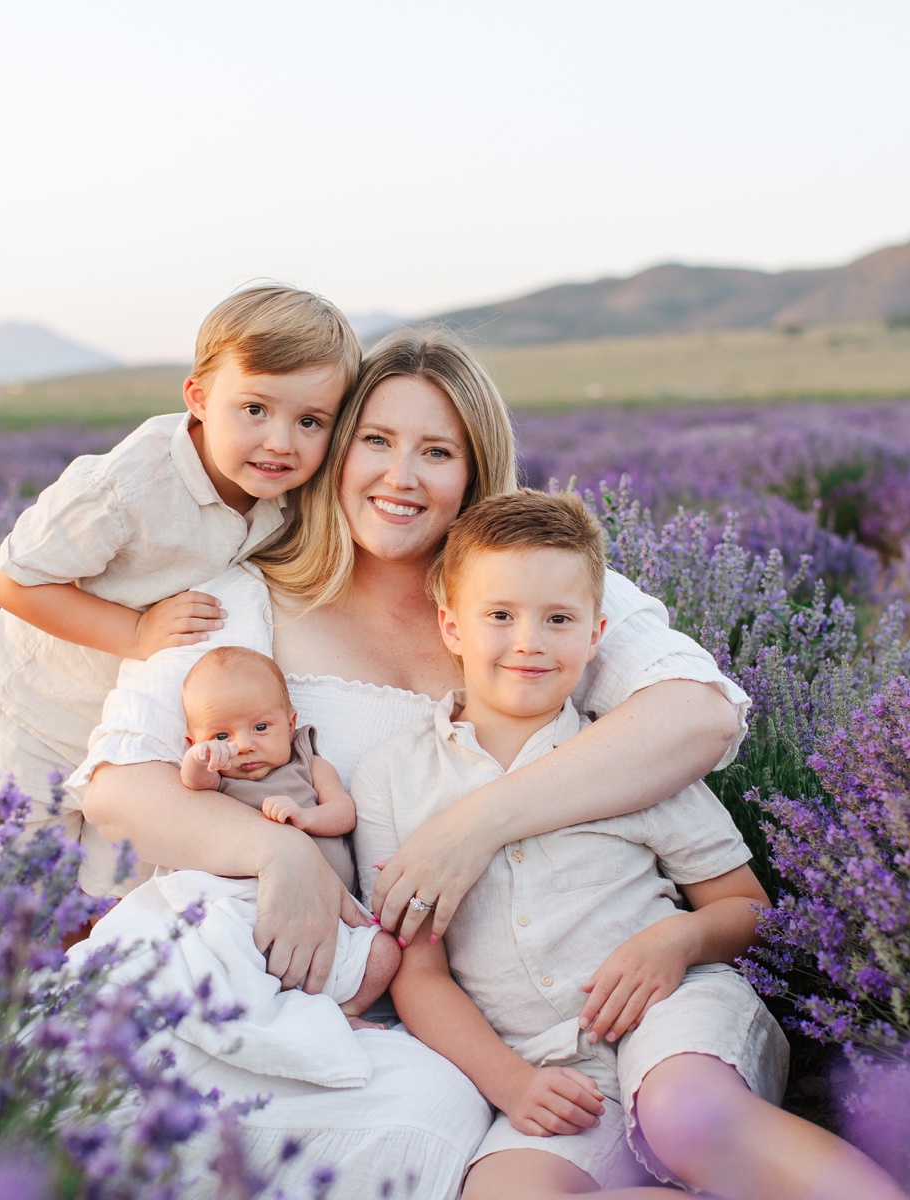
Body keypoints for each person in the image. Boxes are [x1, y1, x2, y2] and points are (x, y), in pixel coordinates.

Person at [65, 329, 751, 1198]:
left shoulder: (518, 590)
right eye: (376, 442)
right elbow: (120, 786)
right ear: (336, 452)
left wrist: (474, 825)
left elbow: (698, 714)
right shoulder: (245, 598)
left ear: (474, 470)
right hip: (258, 961)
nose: (401, 476)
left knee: (430, 1120)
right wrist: (278, 853)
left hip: (442, 1013)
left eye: (437, 451)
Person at [358, 489, 908, 1200]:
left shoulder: (624, 756)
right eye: (500, 616)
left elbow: (746, 907)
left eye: (558, 619)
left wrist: (676, 940)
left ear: (595, 636)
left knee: (685, 1118)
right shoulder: (394, 779)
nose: (528, 641)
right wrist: (510, 1081)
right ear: (452, 627)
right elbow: (419, 976)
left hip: (678, 1020)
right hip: (544, 1064)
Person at [0, 284, 358, 896]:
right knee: (29, 887)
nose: (282, 440)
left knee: (116, 887)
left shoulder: (282, 490)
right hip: (41, 715)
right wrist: (136, 632)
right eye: (255, 409)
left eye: (310, 421)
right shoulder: (132, 484)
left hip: (131, 724)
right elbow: (14, 580)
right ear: (199, 398)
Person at [176, 645, 399, 1027]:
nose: (244, 745)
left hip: (332, 911)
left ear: (291, 722)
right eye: (222, 734)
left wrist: (305, 817)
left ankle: (345, 1014)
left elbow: (343, 814)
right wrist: (200, 760)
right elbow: (192, 783)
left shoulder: (309, 761)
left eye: (261, 727)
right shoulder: (221, 777)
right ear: (195, 743)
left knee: (385, 953)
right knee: (218, 937)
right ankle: (252, 1010)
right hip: (251, 902)